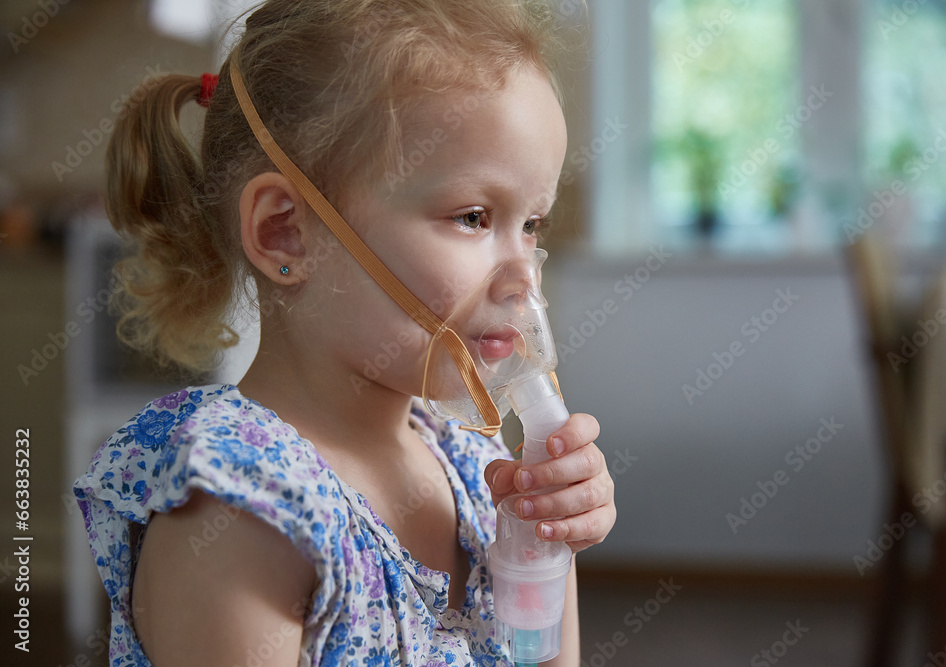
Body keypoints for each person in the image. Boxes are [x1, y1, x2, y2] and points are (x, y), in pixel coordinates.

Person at [72, 1, 616, 665]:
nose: (523, 280)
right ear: (286, 232)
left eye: (531, 225)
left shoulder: (477, 469)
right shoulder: (244, 511)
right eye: (474, 216)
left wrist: (544, 542)